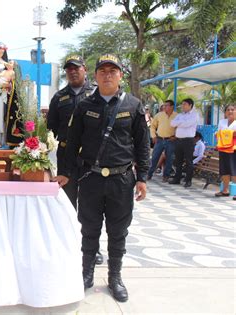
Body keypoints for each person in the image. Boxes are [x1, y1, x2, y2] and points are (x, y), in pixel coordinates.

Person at [55, 54, 150, 302]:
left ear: (120, 75)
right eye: (103, 71)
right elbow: (71, 142)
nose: (107, 75)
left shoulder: (133, 105)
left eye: (113, 71)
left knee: (118, 231)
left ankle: (115, 277)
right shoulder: (84, 106)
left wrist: (143, 179)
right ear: (95, 75)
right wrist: (65, 172)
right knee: (89, 228)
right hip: (91, 177)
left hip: (121, 179)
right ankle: (86, 273)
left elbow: (142, 145)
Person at [47, 55, 103, 265]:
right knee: (68, 203)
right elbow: (51, 127)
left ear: (85, 69)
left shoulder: (97, 94)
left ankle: (92, 247)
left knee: (91, 205)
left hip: (90, 157)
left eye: (76, 68)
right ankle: (69, 243)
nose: (73, 72)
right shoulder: (59, 97)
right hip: (66, 158)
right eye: (69, 69)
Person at [169, 98, 199, 188]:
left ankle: (188, 180)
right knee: (178, 160)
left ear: (190, 105)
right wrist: (181, 123)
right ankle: (177, 178)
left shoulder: (195, 115)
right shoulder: (180, 115)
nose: (182, 106)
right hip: (178, 140)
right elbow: (172, 123)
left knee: (189, 161)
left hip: (188, 141)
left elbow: (187, 124)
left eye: (185, 104)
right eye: (182, 104)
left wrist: (179, 123)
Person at [147, 100, 177, 182]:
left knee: (169, 159)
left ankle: (166, 176)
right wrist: (153, 136)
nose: (164, 107)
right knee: (154, 158)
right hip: (159, 139)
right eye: (164, 105)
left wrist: (176, 136)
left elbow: (180, 128)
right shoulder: (159, 115)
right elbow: (152, 126)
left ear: (172, 107)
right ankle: (149, 174)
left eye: (166, 105)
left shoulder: (177, 116)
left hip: (171, 140)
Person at [214, 104, 236, 199]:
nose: (230, 111)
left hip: (234, 149)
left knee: (234, 169)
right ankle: (225, 190)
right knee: (224, 169)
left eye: (232, 109)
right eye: (228, 110)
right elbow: (218, 132)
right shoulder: (222, 121)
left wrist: (226, 133)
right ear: (225, 112)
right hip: (223, 148)